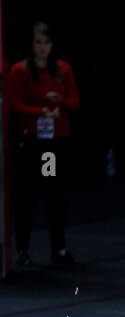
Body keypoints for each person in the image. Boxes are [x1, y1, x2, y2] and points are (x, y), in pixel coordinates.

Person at [5, 22, 78, 268]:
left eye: (46, 42)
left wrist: (62, 102)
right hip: (32, 141)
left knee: (57, 196)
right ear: (31, 44)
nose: (42, 48)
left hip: (56, 142)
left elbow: (75, 101)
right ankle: (22, 249)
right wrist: (40, 112)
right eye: (38, 42)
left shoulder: (63, 69)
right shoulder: (19, 70)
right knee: (27, 196)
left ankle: (59, 248)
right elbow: (13, 104)